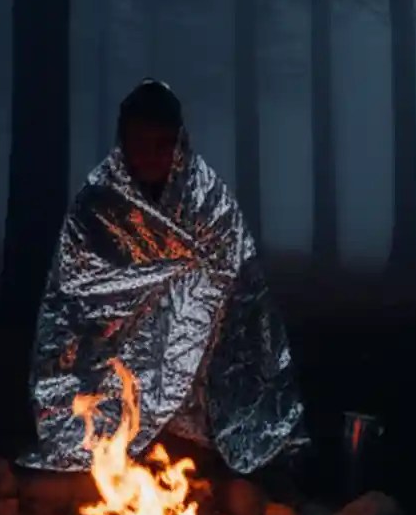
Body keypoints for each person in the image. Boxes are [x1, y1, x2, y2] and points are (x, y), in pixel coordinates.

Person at [17, 78, 308, 476]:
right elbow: (73, 298)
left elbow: (241, 280)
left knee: (207, 300)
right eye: (140, 143)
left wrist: (188, 291)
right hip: (117, 350)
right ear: (124, 143)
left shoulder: (207, 198)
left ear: (178, 143)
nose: (151, 156)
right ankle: (125, 436)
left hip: (205, 352)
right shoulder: (99, 202)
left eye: (162, 144)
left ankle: (190, 435)